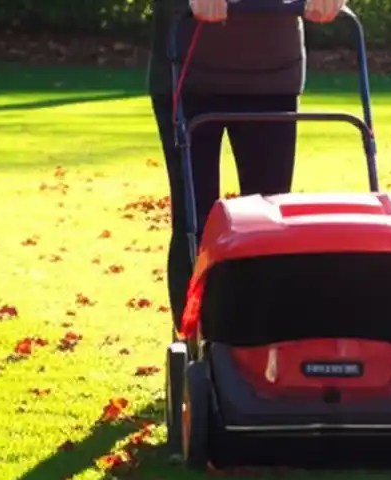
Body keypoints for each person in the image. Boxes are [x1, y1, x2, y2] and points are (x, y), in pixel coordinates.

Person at [147, 0, 349, 334]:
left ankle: (261, 342)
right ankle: (192, 346)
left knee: (268, 224)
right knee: (194, 220)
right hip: (187, 69)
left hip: (273, 75)